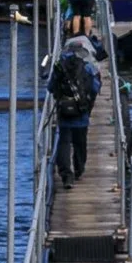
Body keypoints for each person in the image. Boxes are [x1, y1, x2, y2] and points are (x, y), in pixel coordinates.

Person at [48, 38, 98, 182]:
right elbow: (95, 87)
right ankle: (79, 169)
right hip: (81, 113)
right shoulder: (87, 67)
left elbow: (51, 88)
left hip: (64, 112)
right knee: (80, 143)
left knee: (64, 142)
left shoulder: (59, 66)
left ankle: (66, 175)